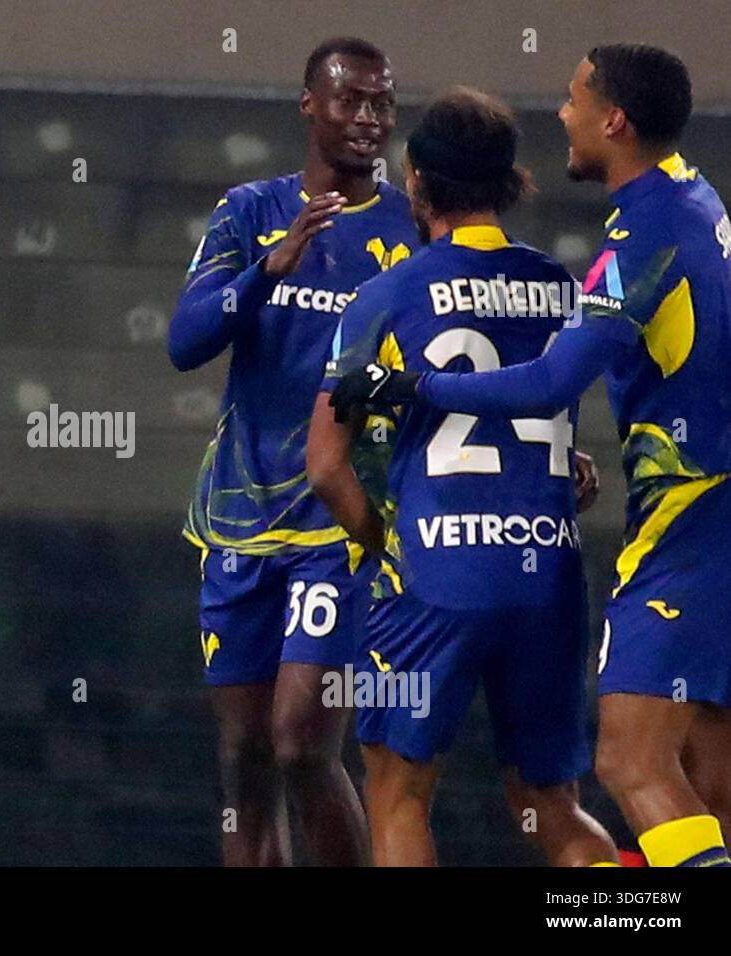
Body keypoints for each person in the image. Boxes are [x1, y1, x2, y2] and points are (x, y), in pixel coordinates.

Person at [333, 45, 731, 869]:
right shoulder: (692, 205)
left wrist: (414, 392)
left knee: (628, 762)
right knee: (696, 773)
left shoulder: (640, 236)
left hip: (682, 529)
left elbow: (550, 380)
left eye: (575, 97)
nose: (563, 113)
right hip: (559, 571)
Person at [312, 88, 617, 866]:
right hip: (547, 573)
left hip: (435, 578)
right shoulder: (560, 285)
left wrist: (388, 542)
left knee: (398, 793)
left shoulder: (384, 296)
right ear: (510, 181)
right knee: (553, 804)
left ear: (416, 180)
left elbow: (326, 465)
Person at [168, 37, 417, 865]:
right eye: (351, 101)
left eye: (382, 103)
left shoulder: (411, 225)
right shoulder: (249, 210)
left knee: (301, 742)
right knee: (241, 760)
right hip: (239, 515)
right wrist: (269, 270)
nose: (369, 119)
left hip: (341, 516)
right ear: (310, 104)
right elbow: (185, 341)